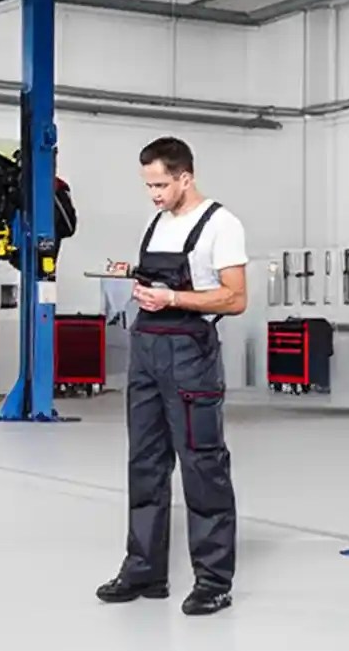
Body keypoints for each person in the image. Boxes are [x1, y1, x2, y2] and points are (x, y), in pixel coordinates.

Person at [96, 136, 248, 616]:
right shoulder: (155, 221)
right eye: (148, 185)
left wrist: (175, 299)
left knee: (203, 466)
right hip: (145, 351)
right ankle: (144, 570)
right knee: (144, 464)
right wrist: (134, 277)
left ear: (186, 177)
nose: (154, 194)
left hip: (190, 356)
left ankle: (213, 581)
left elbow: (234, 298)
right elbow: (156, 281)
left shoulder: (222, 224)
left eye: (161, 184)